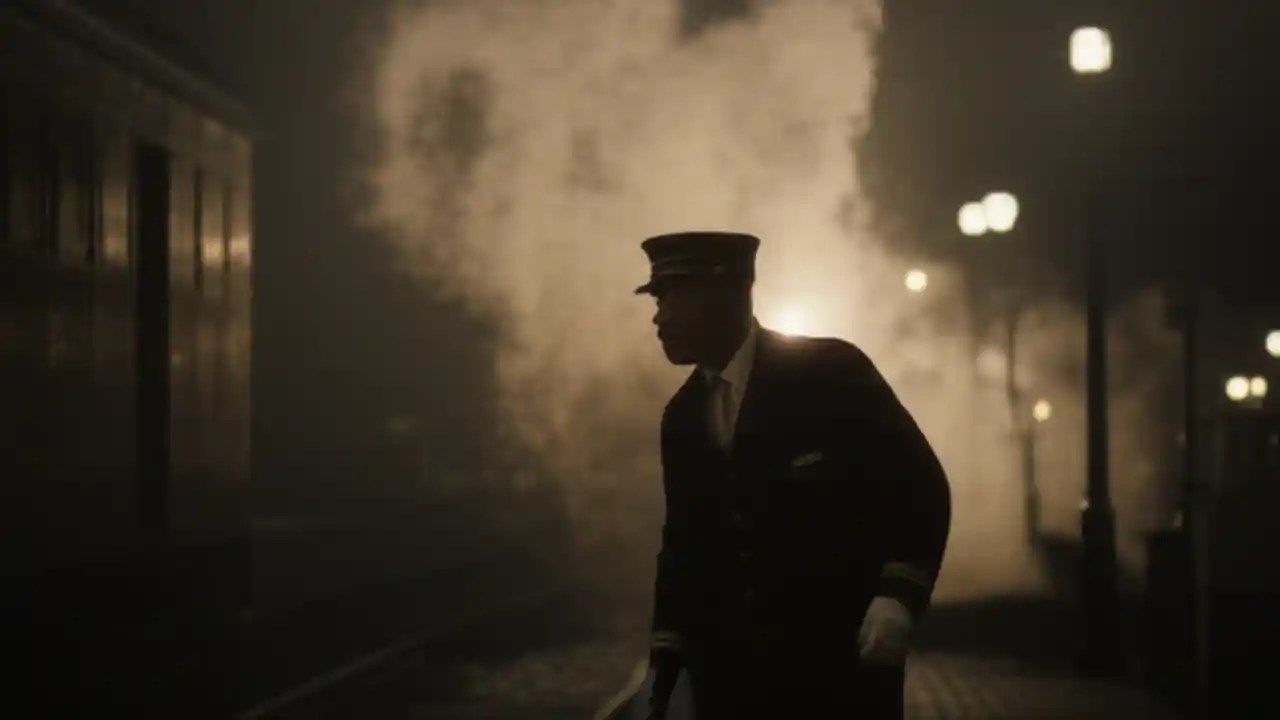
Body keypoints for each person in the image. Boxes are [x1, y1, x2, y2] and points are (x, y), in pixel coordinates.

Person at [634, 230, 951, 719]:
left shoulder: (831, 374)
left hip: (834, 677)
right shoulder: (682, 417)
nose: (658, 316)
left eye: (671, 295)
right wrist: (665, 660)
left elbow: (920, 486)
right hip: (730, 685)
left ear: (725, 294)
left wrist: (898, 596)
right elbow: (682, 545)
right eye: (657, 298)